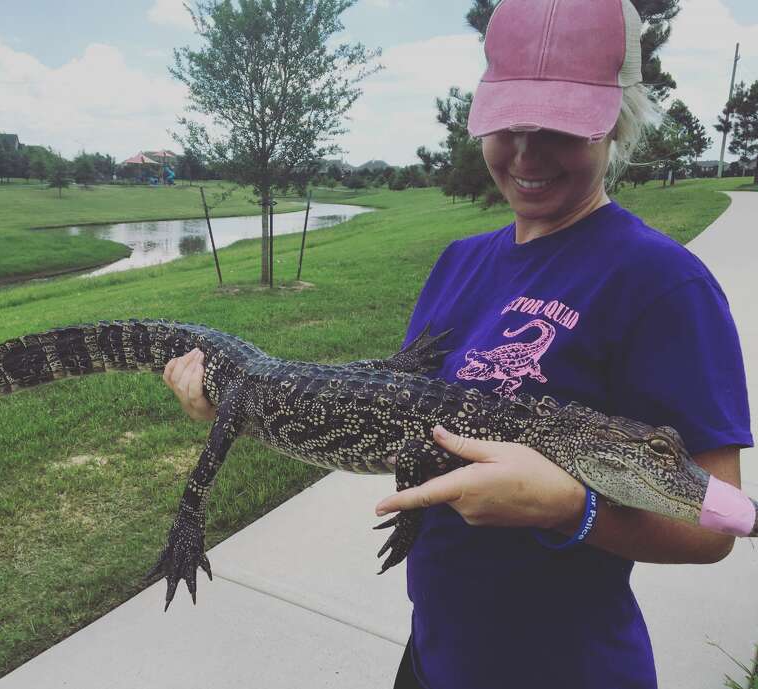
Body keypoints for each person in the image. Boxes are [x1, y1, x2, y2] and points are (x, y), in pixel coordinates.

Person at [162, 1, 753, 687]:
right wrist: (238, 405)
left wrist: (574, 506)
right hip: (435, 653)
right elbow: (397, 414)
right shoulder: (459, 261)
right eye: (508, 124)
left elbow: (716, 526)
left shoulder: (665, 284)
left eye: (559, 127)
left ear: (616, 119)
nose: (527, 153)